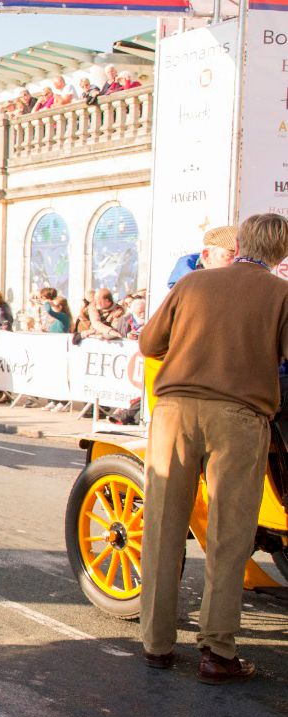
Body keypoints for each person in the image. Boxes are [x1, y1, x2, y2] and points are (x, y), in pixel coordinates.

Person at [137, 214, 288, 684]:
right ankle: (217, 653)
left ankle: (156, 644)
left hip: (175, 411)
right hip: (239, 417)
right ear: (280, 253)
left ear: (240, 243)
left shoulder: (194, 283)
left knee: (163, 525)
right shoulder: (282, 294)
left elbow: (149, 343)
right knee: (230, 533)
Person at [167, 225, 237, 289]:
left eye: (241, 258)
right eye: (230, 256)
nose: (237, 263)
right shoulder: (185, 290)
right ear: (207, 256)